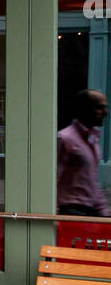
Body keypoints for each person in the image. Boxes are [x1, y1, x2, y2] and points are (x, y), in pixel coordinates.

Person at [57, 89, 111, 217]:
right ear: (84, 108)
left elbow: (92, 180)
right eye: (100, 107)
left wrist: (103, 210)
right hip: (70, 211)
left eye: (106, 107)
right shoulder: (65, 138)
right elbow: (52, 178)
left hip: (89, 212)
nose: (106, 112)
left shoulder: (92, 139)